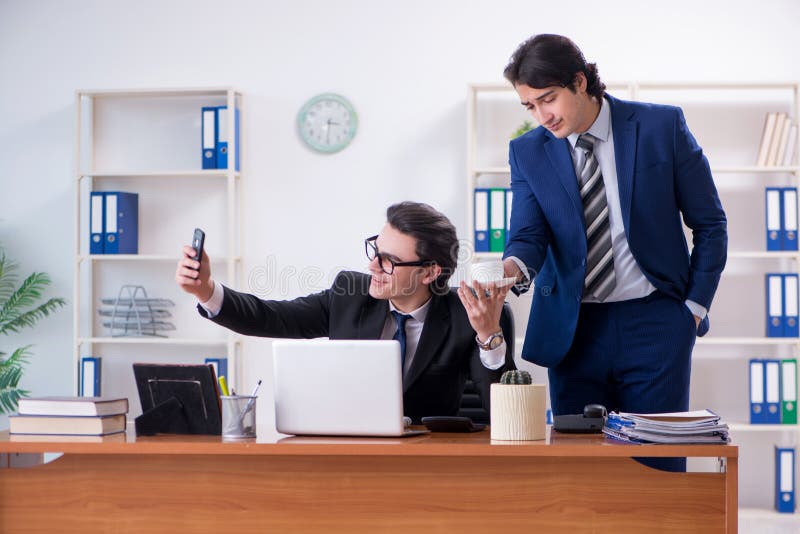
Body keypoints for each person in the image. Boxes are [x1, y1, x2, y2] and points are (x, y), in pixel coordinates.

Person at [499, 34, 727, 468]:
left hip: (656, 322)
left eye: (548, 99)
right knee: (579, 473)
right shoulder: (527, 151)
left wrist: (693, 309)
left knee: (657, 468)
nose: (541, 116)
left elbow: (711, 224)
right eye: (529, 106)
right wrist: (511, 268)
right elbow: (527, 235)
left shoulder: (661, 127)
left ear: (580, 82)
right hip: (573, 329)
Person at [176, 201, 515, 423]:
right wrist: (206, 290)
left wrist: (488, 336)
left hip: (428, 462)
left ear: (430, 273)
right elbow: (271, 316)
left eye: (389, 261)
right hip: (349, 450)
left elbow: (506, 414)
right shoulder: (349, 295)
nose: (373, 265)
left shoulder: (467, 315)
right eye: (375, 250)